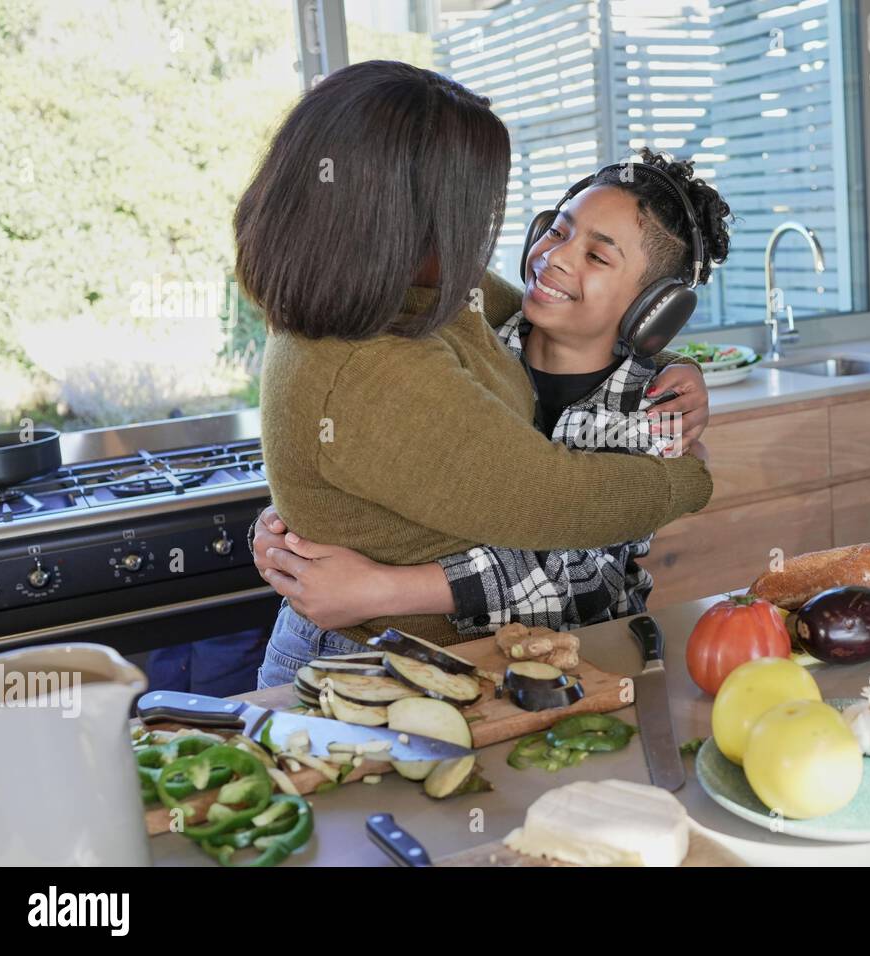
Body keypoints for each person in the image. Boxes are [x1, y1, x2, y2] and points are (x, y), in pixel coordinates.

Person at [235, 61, 714, 689]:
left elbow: (544, 316)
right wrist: (690, 470)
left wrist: (669, 364)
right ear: (407, 219)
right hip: (380, 663)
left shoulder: (411, 289)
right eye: (474, 206)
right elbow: (555, 506)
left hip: (473, 652)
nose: (484, 231)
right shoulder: (371, 370)